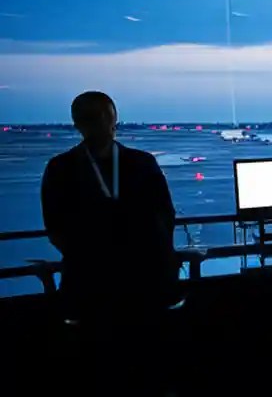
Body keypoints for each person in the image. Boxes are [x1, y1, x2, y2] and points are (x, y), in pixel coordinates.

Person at [41, 91, 178, 316]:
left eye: (101, 116)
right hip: (110, 283)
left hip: (114, 282)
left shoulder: (62, 168)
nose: (101, 123)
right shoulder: (141, 164)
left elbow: (56, 229)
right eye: (94, 116)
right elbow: (165, 216)